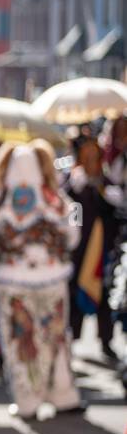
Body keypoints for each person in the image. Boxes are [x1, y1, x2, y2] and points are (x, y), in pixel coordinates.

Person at [0, 140, 82, 419]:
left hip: (12, 280)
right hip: (52, 276)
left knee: (19, 341)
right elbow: (73, 235)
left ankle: (27, 400)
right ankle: (62, 394)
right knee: (55, 336)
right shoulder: (55, 199)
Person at [65, 133, 121, 362]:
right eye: (86, 155)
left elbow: (115, 214)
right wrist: (75, 189)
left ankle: (106, 341)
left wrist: (106, 194)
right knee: (75, 291)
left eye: (94, 155)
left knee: (105, 293)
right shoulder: (72, 183)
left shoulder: (107, 183)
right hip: (79, 248)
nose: (90, 159)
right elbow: (72, 216)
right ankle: (72, 340)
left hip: (104, 248)